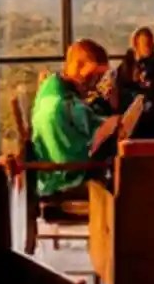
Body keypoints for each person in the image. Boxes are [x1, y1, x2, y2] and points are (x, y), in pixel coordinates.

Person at [29, 39, 112, 197]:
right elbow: (104, 131)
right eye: (95, 76)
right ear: (80, 69)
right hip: (67, 181)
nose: (95, 84)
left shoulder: (47, 91)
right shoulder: (69, 106)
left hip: (47, 177)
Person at [114, 27, 154, 108]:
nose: (149, 48)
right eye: (146, 45)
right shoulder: (125, 68)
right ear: (136, 46)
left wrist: (150, 85)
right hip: (131, 106)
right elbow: (121, 90)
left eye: (151, 44)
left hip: (152, 108)